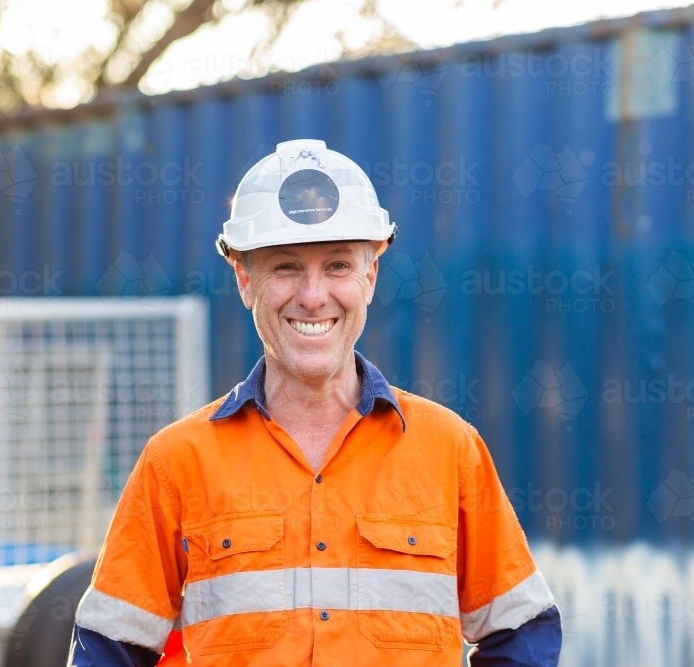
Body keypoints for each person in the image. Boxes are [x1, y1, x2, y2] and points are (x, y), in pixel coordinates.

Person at [68, 139, 562, 666]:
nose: (312, 296)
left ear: (369, 277)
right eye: (284, 267)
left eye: (337, 266)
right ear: (244, 279)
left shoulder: (449, 450)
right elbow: (108, 649)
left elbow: (521, 631)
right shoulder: (176, 463)